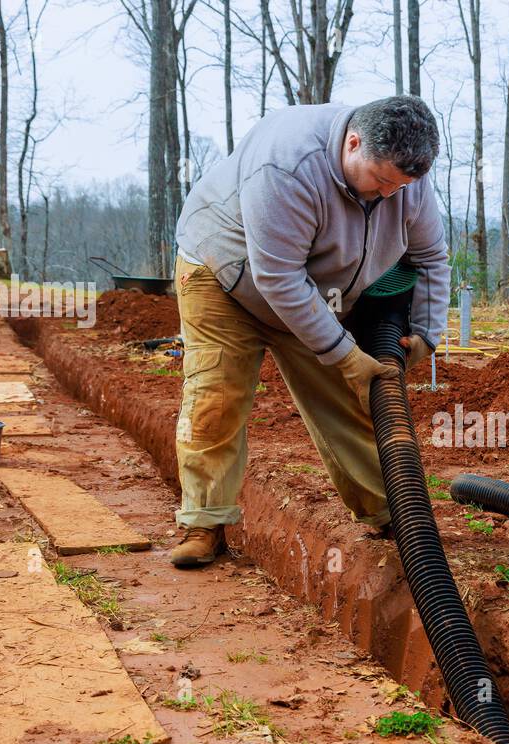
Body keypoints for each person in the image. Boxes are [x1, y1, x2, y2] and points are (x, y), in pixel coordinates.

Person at [167, 95, 449, 568]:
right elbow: (277, 278)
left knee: (350, 394)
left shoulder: (405, 184)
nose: (388, 195)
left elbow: (431, 259)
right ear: (353, 144)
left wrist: (427, 329)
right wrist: (342, 351)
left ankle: (393, 512)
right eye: (381, 181)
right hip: (223, 273)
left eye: (399, 187)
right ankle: (204, 523)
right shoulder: (288, 165)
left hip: (311, 286)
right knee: (216, 398)